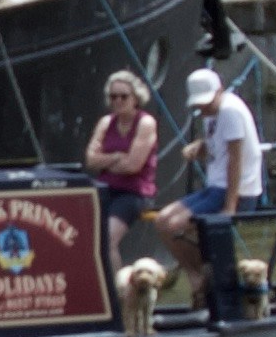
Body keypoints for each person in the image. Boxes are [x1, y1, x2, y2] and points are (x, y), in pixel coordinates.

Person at [171, 56, 265, 321]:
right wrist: (199, 147)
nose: (203, 109)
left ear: (219, 93)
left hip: (235, 191)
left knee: (175, 225)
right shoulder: (212, 114)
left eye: (206, 103)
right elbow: (217, 147)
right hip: (215, 187)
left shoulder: (230, 111)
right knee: (163, 222)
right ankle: (201, 277)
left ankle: (211, 278)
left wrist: (229, 207)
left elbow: (236, 158)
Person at [82, 66, 162, 245]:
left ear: (136, 98)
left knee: (107, 240)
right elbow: (90, 160)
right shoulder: (106, 122)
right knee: (84, 237)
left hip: (134, 193)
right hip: (105, 189)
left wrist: (105, 161)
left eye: (123, 96)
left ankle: (114, 274)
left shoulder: (145, 123)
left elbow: (132, 166)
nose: (118, 101)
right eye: (113, 97)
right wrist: (117, 156)